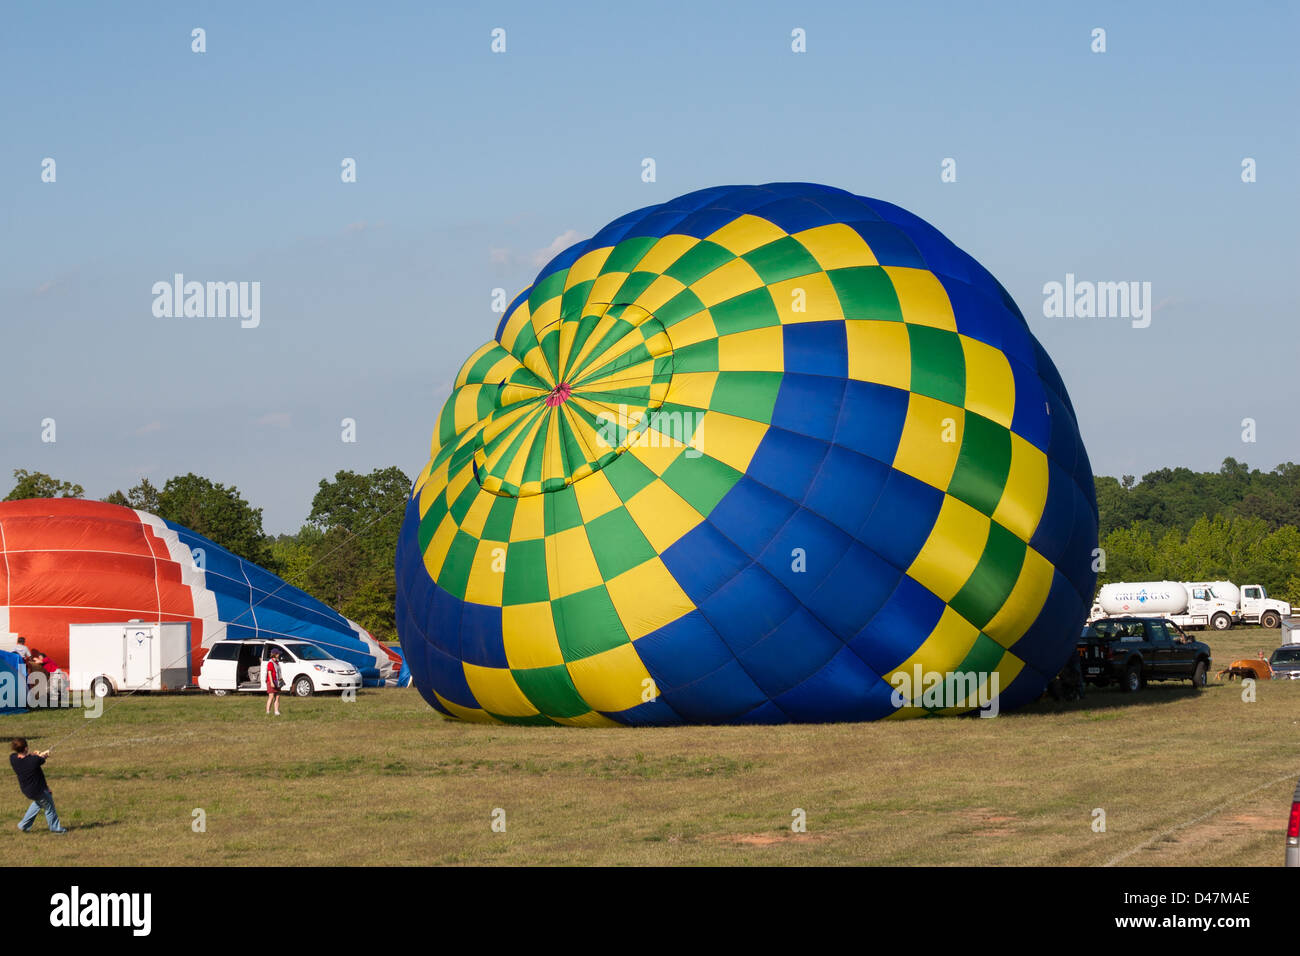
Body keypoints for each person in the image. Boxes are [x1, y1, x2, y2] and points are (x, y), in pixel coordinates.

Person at [10, 738, 67, 833]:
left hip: (27, 790)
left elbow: (29, 758)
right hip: (39, 790)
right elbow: (41, 759)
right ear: (26, 748)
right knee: (49, 807)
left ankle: (23, 825)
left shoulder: (13, 758)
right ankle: (56, 829)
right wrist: (44, 754)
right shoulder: (34, 761)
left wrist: (35, 754)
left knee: (38, 803)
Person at [264, 651, 284, 716]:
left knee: (277, 696)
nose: (279, 655)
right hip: (271, 681)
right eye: (278, 654)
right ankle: (268, 712)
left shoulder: (277, 662)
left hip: (277, 681)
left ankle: (276, 711)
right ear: (274, 654)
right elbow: (269, 673)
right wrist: (272, 683)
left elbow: (278, 672)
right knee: (271, 696)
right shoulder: (270, 663)